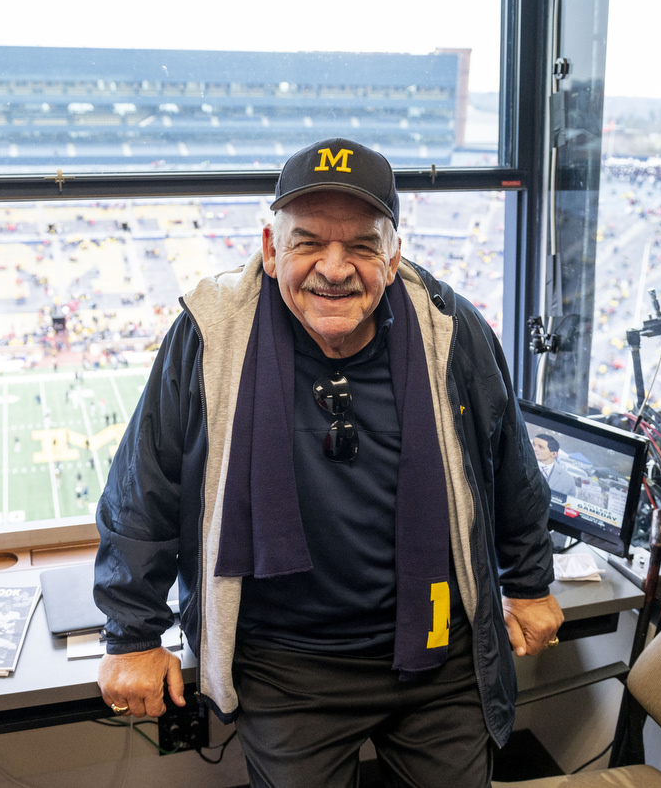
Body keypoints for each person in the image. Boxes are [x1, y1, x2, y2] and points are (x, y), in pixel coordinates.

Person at [93, 137, 562, 787]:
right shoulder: (213, 332)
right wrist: (132, 635)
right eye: (308, 241)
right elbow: (144, 486)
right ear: (269, 248)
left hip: (438, 652)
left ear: (393, 256)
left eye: (362, 245)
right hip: (290, 668)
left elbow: (510, 467)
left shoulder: (451, 329)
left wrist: (531, 583)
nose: (334, 268)